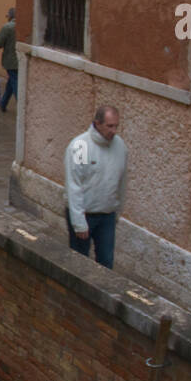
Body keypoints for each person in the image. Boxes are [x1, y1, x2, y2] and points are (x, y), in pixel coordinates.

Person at [64, 106, 128, 269]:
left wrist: (117, 210)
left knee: (106, 261)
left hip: (107, 215)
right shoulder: (80, 147)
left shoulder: (120, 146)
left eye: (116, 126)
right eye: (109, 126)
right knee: (80, 262)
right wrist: (79, 222)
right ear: (97, 123)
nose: (113, 131)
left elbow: (122, 181)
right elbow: (74, 185)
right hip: (85, 214)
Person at [0, 7, 19, 112]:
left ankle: (21, 106)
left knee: (15, 83)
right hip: (20, 61)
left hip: (10, 61)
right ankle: (3, 104)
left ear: (10, 16)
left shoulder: (7, 27)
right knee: (11, 82)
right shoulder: (24, 26)